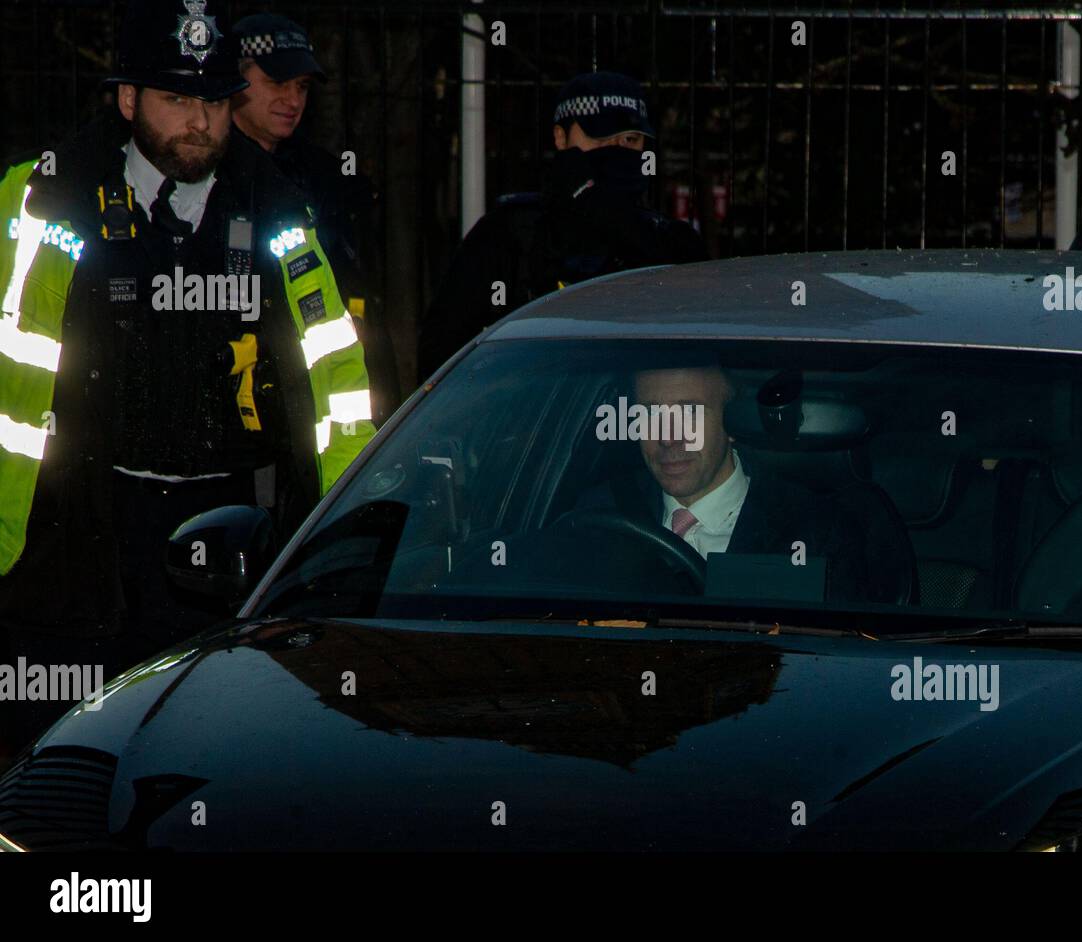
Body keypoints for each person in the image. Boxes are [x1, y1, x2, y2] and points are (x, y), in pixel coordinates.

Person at [0, 0, 374, 765]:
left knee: (216, 764)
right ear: (129, 99)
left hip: (230, 530)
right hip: (79, 530)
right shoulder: (50, 202)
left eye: (212, 100)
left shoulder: (276, 213)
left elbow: (336, 378)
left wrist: (345, 548)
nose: (200, 123)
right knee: (69, 764)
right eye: (177, 100)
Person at [417, 71, 708, 379]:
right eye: (599, 138)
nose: (616, 150)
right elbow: (443, 356)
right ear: (560, 137)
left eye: (630, 140)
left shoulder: (668, 240)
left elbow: (701, 349)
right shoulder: (509, 232)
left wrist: (604, 212)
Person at [578, 365, 913, 605]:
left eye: (690, 413)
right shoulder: (599, 515)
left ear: (733, 422)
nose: (668, 437)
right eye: (651, 414)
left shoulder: (815, 530)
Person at [231, 13, 400, 425]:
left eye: (302, 87)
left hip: (324, 406)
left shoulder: (326, 179)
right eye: (277, 83)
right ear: (233, 78)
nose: (293, 100)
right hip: (240, 415)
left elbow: (358, 301)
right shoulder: (204, 175)